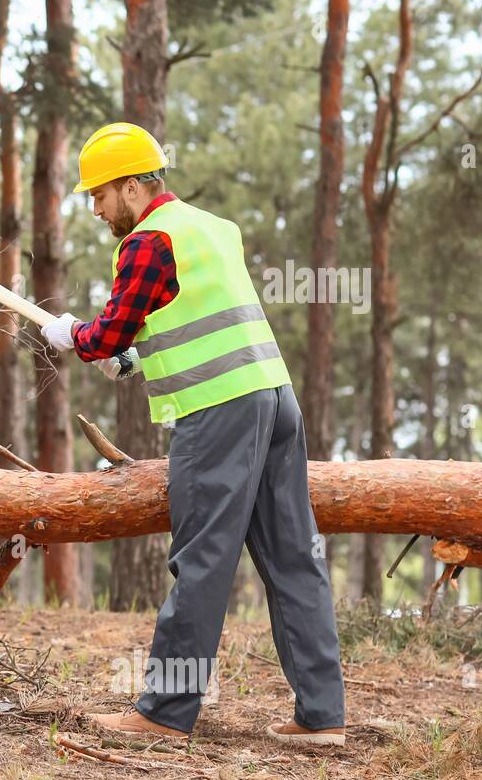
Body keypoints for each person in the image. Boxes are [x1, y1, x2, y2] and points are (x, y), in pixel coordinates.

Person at [40, 122, 346, 746]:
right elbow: (189, 318)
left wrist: (72, 335)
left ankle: (163, 713)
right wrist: (129, 358)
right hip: (274, 397)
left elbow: (108, 332)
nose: (95, 209)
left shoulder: (149, 241)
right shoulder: (211, 228)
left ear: (131, 185)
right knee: (293, 556)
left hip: (219, 410)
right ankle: (321, 718)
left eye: (99, 194)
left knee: (203, 557)